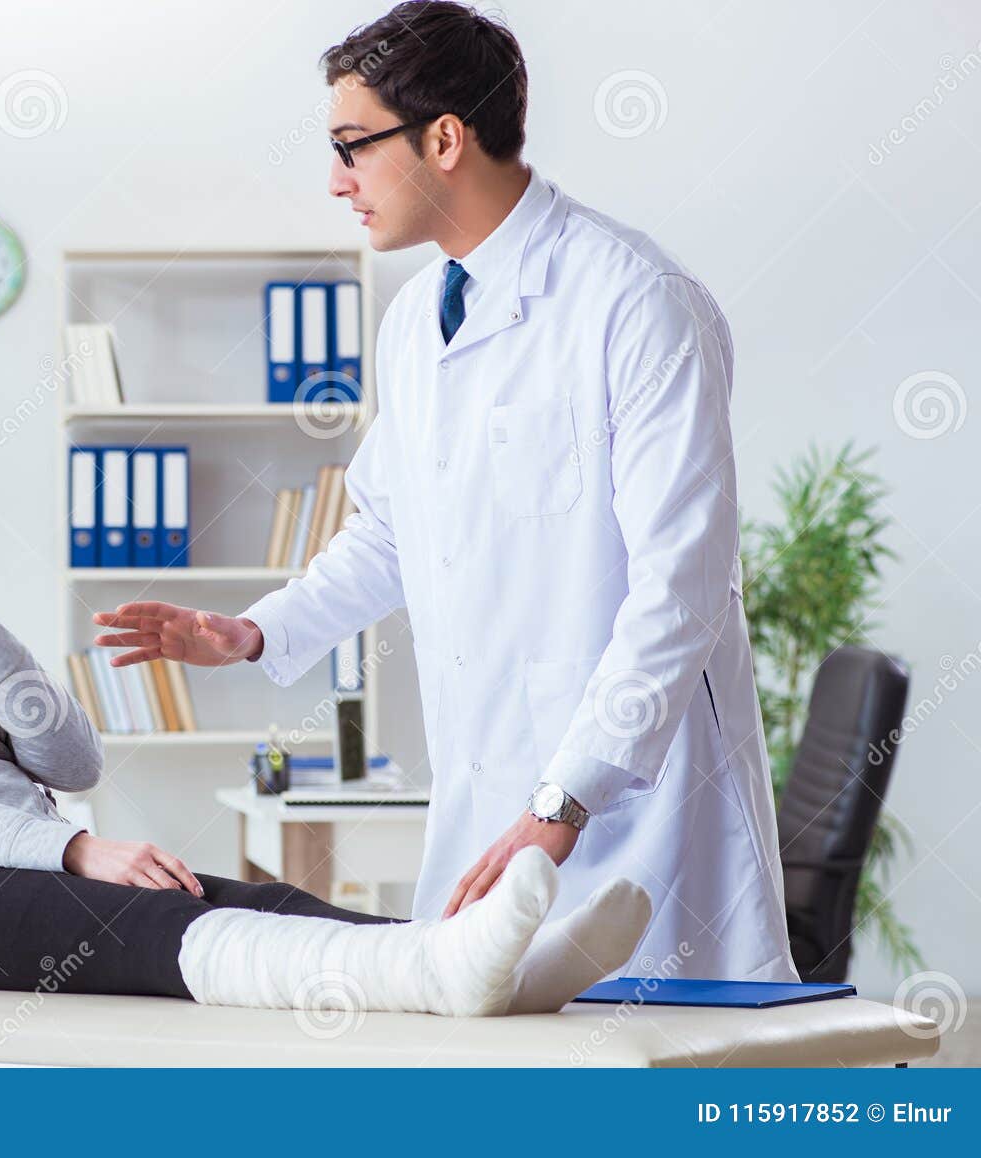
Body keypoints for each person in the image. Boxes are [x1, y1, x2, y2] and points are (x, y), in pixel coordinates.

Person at [94, 1, 798, 983]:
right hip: (488, 800)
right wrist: (255, 633)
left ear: (443, 138)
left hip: (635, 811)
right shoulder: (419, 315)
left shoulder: (635, 302)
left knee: (654, 1094)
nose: (336, 182)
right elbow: (387, 533)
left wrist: (562, 802)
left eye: (352, 148)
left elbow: (679, 587)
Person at [0, 399, 653, 1018]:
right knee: (161, 924)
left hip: (20, 868)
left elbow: (72, 763)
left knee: (247, 896)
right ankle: (442, 975)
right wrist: (80, 850)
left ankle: (496, 967)